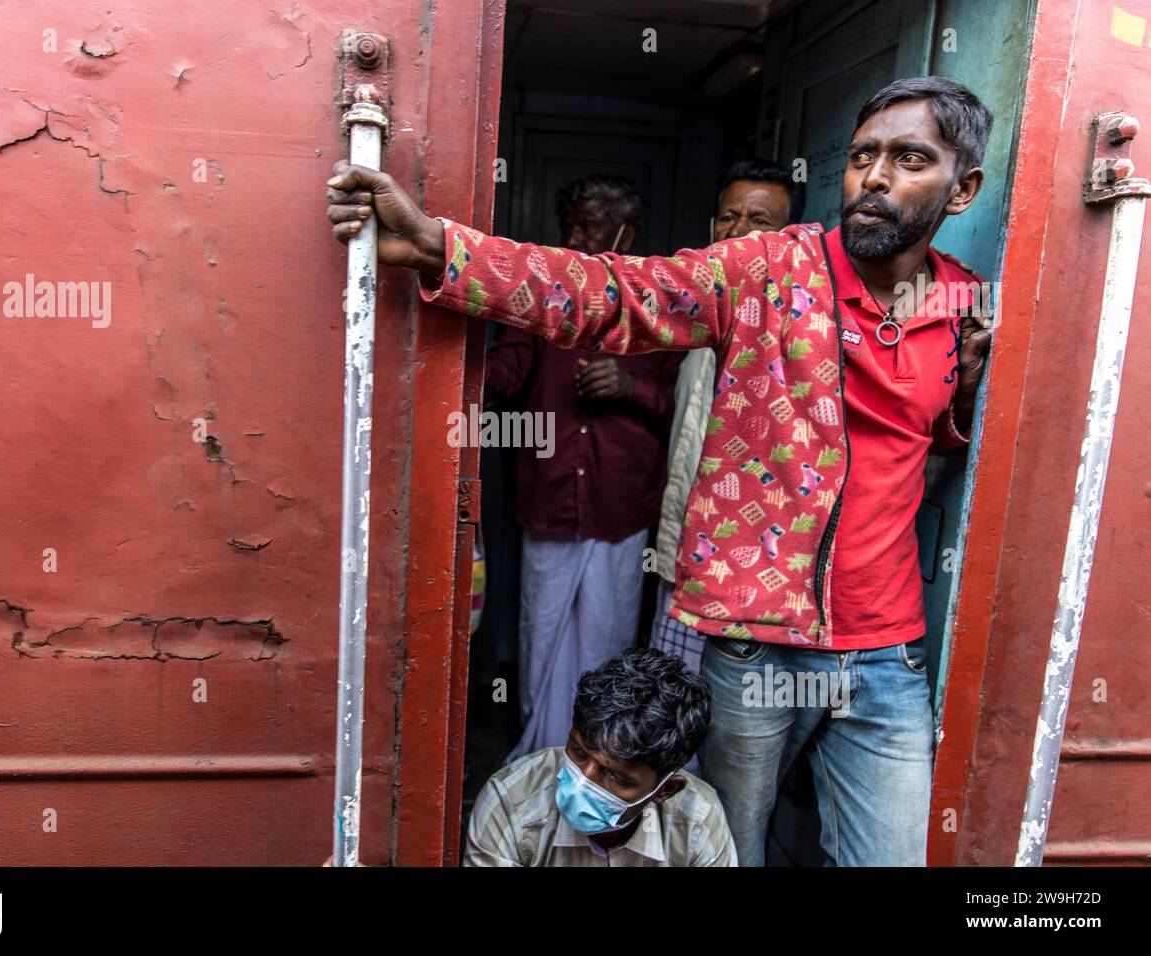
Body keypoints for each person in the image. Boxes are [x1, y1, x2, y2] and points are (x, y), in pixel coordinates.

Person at [325, 75, 995, 866]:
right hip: (755, 642)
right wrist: (441, 246)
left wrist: (967, 388)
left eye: (909, 159)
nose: (875, 177)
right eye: (862, 157)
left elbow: (929, 441)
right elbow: (616, 292)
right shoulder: (771, 272)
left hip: (884, 652)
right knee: (732, 852)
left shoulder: (959, 303)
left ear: (963, 189)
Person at [483, 174, 683, 759]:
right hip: (549, 504)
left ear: (628, 233)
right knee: (539, 637)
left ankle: (600, 760)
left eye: (588, 227)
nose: (575, 238)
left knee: (607, 642)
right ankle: (541, 761)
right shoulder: (543, 300)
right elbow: (508, 370)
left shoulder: (666, 309)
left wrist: (632, 388)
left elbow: (692, 411)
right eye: (569, 226)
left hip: (622, 511)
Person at [653, 159, 806, 680]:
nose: (738, 233)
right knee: (672, 700)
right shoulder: (695, 311)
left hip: (747, 571)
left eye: (759, 222)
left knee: (727, 714)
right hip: (680, 551)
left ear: (789, 236)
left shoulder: (797, 326)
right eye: (728, 217)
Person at [462, 647, 736, 866]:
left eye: (615, 776)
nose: (584, 778)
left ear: (665, 789)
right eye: (579, 752)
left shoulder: (697, 822)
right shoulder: (511, 801)